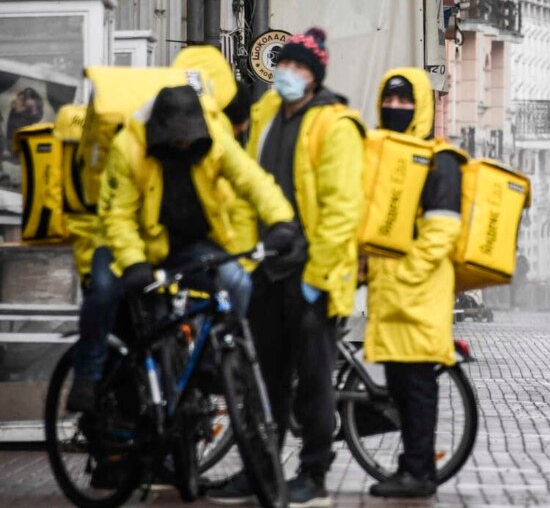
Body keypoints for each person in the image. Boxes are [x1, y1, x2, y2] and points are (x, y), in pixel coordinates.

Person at [65, 85, 299, 414]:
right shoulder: (128, 147)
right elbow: (117, 216)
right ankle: (86, 377)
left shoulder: (215, 138)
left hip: (185, 245)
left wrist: (281, 221)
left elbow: (252, 179)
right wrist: (133, 263)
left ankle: (208, 367)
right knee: (102, 293)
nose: (185, 144)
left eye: (190, 137)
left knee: (237, 282)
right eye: (177, 138)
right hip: (131, 245)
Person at [210, 27, 364, 507]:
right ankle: (259, 470)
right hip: (266, 267)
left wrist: (318, 280)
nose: (290, 75)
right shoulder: (266, 113)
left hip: (310, 272)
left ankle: (313, 474)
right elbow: (245, 187)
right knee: (263, 382)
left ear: (315, 78)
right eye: (286, 66)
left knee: (313, 383)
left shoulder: (334, 124)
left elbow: (342, 211)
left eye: (300, 69)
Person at [363, 69, 466, 499]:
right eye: (390, 101)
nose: (397, 109)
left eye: (407, 103)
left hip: (420, 294)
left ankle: (420, 471)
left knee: (418, 387)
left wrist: (405, 274)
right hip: (390, 293)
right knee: (400, 388)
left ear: (421, 107)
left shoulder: (439, 160)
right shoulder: (388, 157)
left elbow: (442, 231)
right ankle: (410, 467)